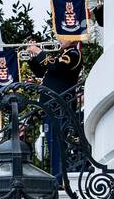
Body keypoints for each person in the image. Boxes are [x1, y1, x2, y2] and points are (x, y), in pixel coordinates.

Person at [27, 41, 83, 184]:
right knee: (53, 146)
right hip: (52, 108)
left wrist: (39, 51)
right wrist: (32, 55)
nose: (58, 41)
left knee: (58, 145)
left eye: (61, 37)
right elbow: (41, 71)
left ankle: (60, 180)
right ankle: (56, 178)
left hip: (60, 107)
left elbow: (55, 66)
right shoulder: (61, 55)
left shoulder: (73, 54)